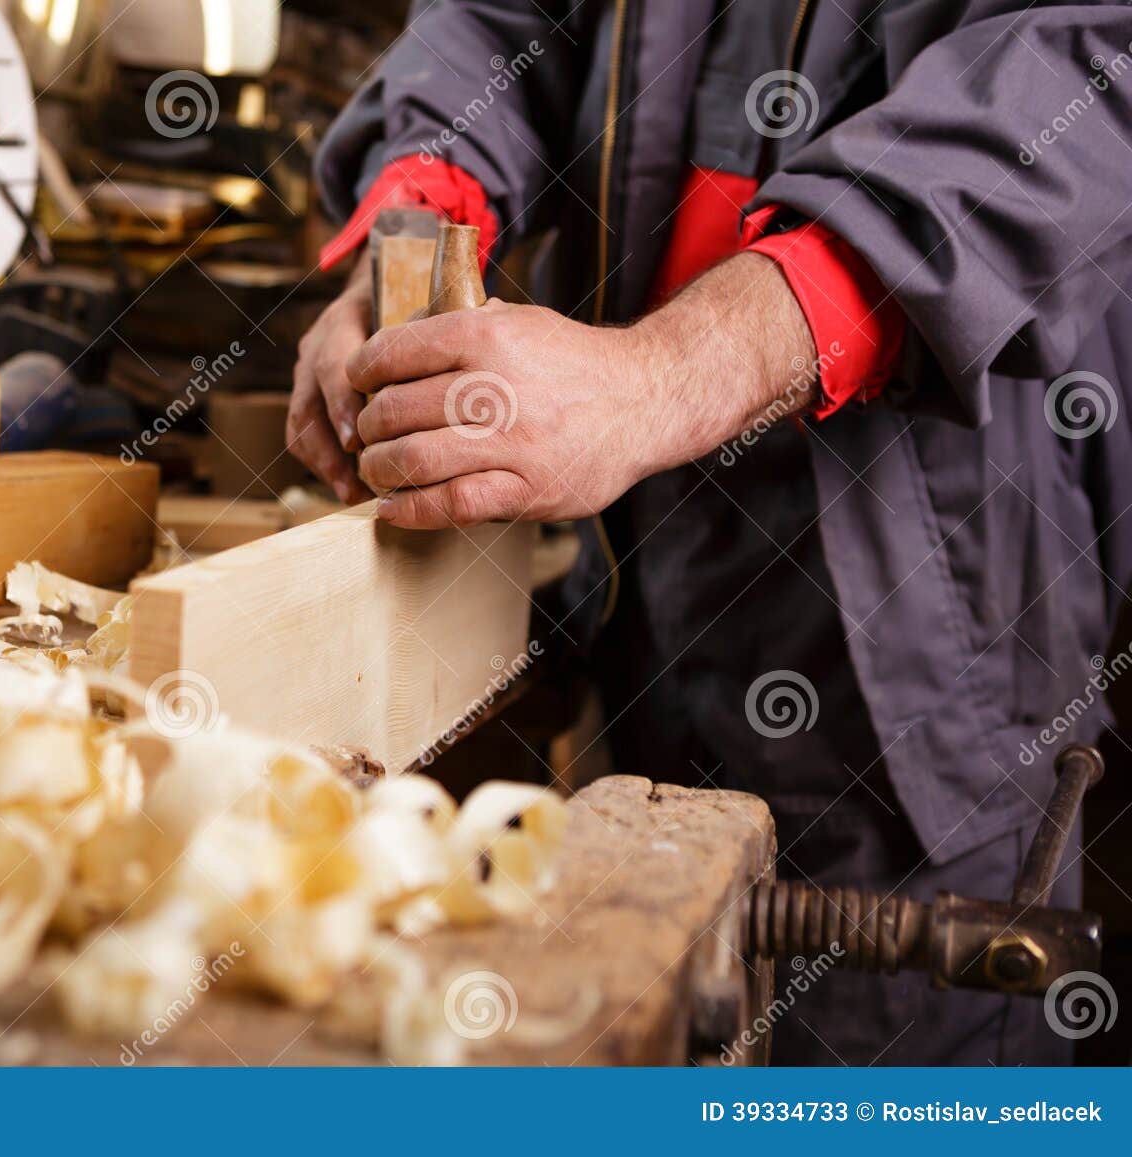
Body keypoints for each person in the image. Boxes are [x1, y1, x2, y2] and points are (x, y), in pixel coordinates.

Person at [288, 0, 1132, 1065]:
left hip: (916, 653)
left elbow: (1088, 63)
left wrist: (659, 378)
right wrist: (423, 197)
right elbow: (502, 26)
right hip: (634, 594)